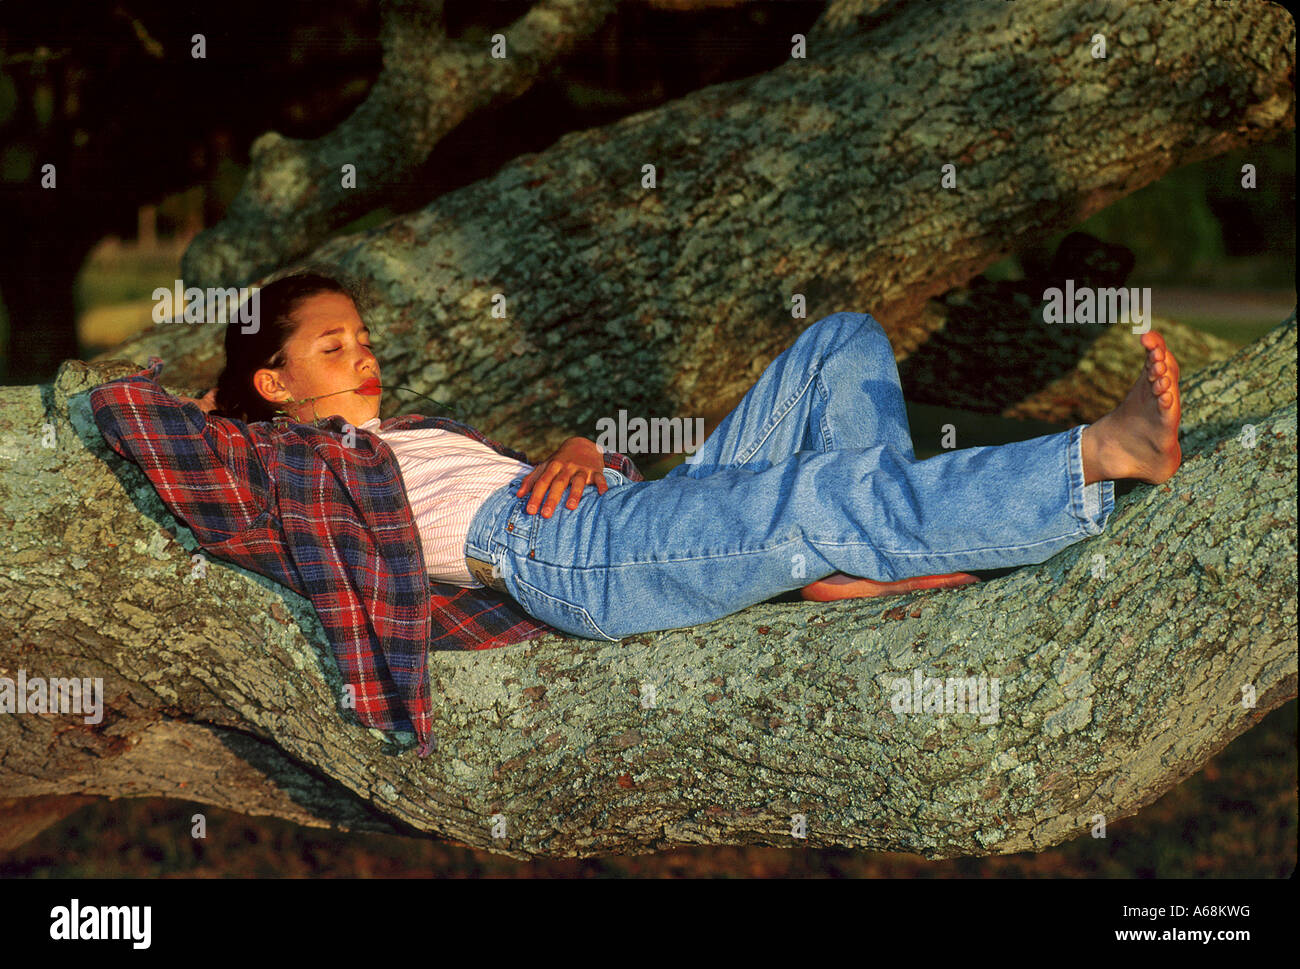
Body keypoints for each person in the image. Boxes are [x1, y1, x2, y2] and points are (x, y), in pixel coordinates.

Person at [89, 270, 1181, 753]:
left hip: (621, 510)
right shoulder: (282, 463)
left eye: (363, 336)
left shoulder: (410, 428)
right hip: (561, 559)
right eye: (334, 347)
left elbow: (537, 476)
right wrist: (225, 400)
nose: (364, 354)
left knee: (839, 339)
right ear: (272, 383)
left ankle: (855, 556)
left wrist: (577, 446)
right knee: (809, 494)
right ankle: (1091, 458)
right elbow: (127, 408)